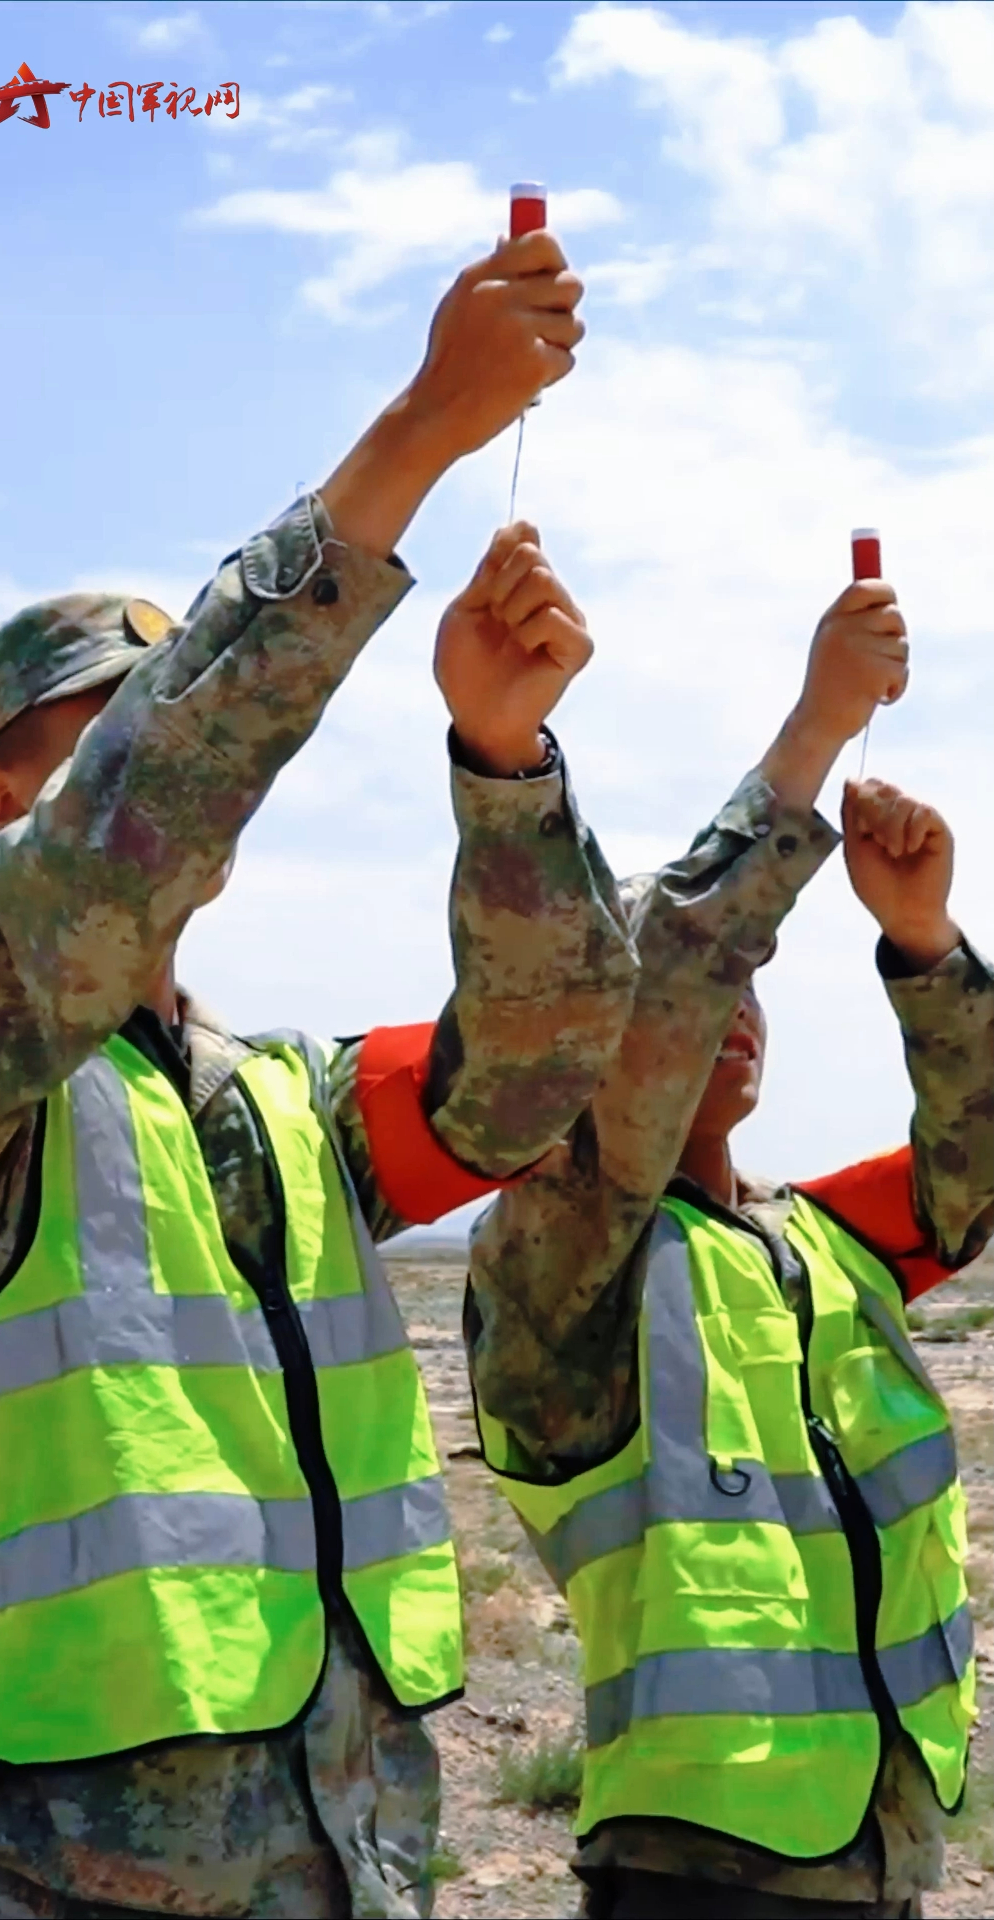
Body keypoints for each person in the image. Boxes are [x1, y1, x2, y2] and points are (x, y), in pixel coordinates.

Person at [0, 234, 640, 1920]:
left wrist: (504, 761)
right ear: (10, 797)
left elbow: (534, 1077)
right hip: (58, 1867)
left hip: (348, 1843)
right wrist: (414, 440)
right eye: (108, 729)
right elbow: (123, 843)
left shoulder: (286, 1101)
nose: (179, 761)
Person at [467, 572, 993, 1919]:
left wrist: (927, 944)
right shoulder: (571, 1262)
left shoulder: (818, 1242)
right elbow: (664, 984)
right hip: (694, 1872)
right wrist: (815, 734)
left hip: (878, 1853)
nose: (735, 1009)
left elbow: (977, 1163)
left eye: (755, 991)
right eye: (710, 992)